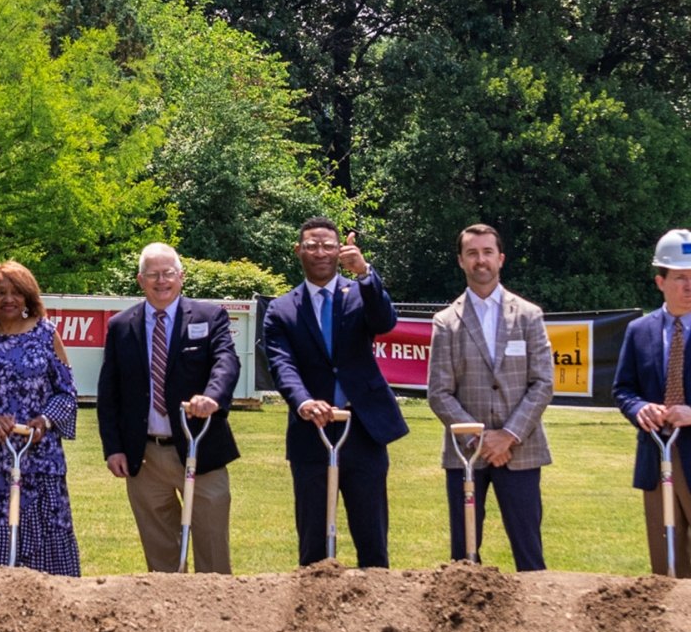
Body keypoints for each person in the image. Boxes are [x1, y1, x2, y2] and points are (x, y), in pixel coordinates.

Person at [262, 216, 408, 568]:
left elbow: (385, 322)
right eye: (312, 245)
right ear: (298, 251)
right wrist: (303, 402)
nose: (320, 252)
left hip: (364, 429)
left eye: (328, 245)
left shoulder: (360, 292)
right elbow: (282, 366)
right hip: (311, 432)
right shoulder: (281, 310)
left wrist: (365, 272)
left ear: (340, 248)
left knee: (372, 539)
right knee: (314, 543)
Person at [96, 243, 240, 573]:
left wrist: (212, 397)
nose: (161, 281)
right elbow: (110, 392)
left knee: (213, 551)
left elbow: (226, 361)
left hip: (199, 449)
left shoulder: (209, 316)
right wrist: (113, 448)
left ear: (181, 277)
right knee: (162, 559)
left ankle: (216, 619)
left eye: (168, 273)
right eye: (153, 275)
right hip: (144, 457)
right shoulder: (121, 326)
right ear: (140, 280)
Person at [427, 224, 554, 571]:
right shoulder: (445, 322)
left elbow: (543, 383)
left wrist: (509, 436)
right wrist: (483, 439)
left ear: (500, 258)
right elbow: (439, 393)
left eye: (486, 252)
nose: (480, 260)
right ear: (461, 261)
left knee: (529, 553)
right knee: (464, 555)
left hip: (522, 450)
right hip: (466, 452)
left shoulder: (529, 316)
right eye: (472, 253)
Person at [0, 261, 80, 575]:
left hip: (39, 458)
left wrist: (44, 421)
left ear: (27, 297)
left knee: (45, 540)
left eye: (15, 292)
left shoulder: (46, 333)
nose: (8, 299)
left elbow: (67, 392)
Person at [613, 229, 691, 577]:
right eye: (680, 278)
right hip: (656, 455)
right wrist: (638, 408)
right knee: (665, 563)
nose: (689, 286)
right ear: (660, 281)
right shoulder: (639, 331)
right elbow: (622, 389)